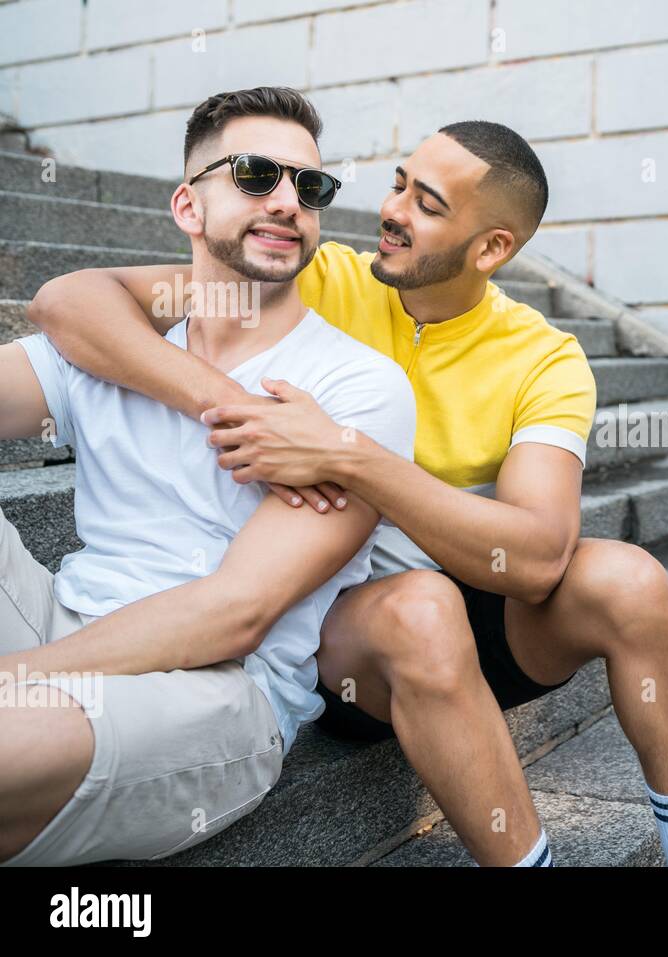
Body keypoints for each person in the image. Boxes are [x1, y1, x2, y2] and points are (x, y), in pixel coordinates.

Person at [30, 91, 668, 867]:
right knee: (420, 612)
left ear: (490, 249)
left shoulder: (545, 357)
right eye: (397, 183)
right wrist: (226, 403)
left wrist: (350, 455)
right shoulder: (318, 277)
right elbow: (73, 300)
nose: (390, 211)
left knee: (631, 582)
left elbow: (534, 556)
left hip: (471, 585)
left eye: (426, 204)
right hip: (350, 622)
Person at [0, 87, 416, 865]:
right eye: (258, 174)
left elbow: (236, 612)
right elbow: (65, 305)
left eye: (311, 186)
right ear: (188, 207)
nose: (289, 201)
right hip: (64, 621)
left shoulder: (358, 389)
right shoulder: (117, 346)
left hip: (216, 690)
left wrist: (13, 679)